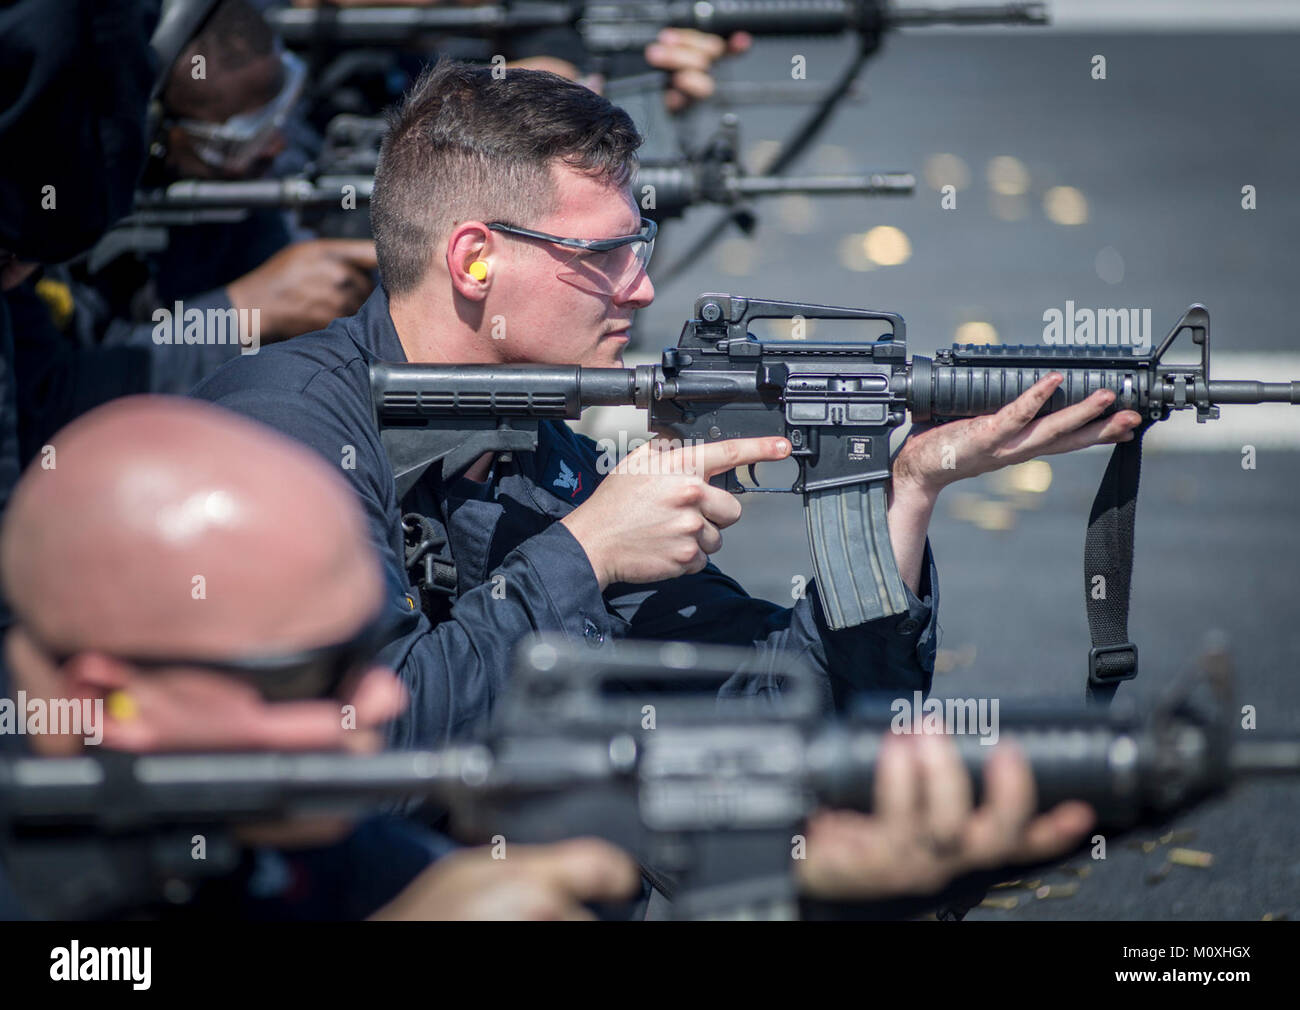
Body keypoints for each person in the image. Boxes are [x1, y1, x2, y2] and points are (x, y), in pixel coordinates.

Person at [194, 60, 1144, 754]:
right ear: (474, 259)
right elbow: (371, 754)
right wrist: (585, 554)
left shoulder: (538, 452)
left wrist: (905, 492)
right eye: (604, 253)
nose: (642, 287)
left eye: (640, 246)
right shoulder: (287, 435)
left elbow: (784, 707)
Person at [0, 395, 1092, 919]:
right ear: (110, 699)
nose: (386, 688)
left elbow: (760, 687)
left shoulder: (290, 825)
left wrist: (810, 890)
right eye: (318, 672)